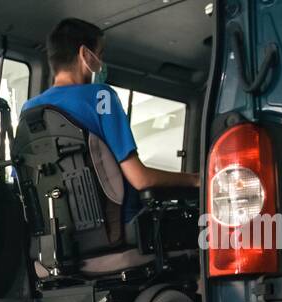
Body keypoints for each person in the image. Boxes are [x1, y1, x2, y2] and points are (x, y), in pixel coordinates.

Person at [23, 17, 199, 223]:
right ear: (85, 55)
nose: (101, 62)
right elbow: (140, 178)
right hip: (116, 229)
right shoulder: (101, 97)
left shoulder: (30, 110)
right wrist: (195, 179)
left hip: (58, 235)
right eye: (100, 54)